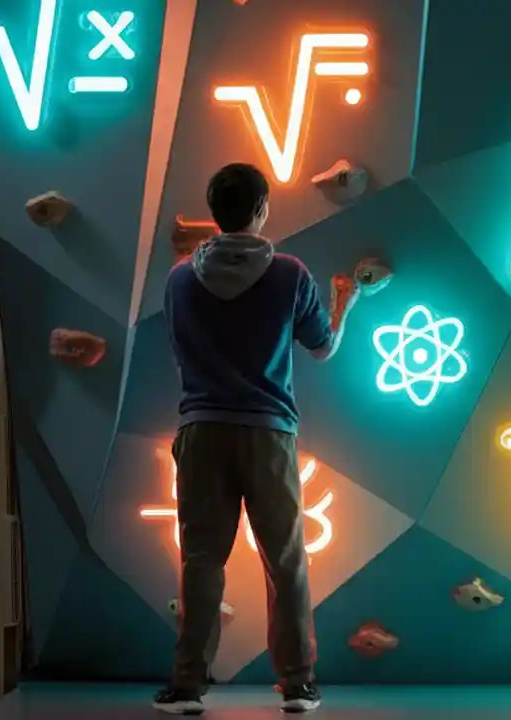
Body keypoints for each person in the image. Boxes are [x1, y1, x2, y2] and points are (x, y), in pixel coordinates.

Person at [153, 163, 356, 715]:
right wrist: (347, 298)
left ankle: (188, 685)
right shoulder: (289, 273)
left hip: (201, 431)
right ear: (262, 208)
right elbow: (323, 346)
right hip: (268, 434)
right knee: (286, 560)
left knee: (201, 560)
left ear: (215, 211)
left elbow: (179, 350)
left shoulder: (177, 279)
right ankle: (297, 685)